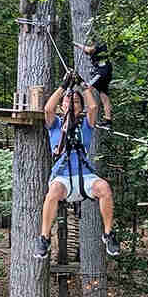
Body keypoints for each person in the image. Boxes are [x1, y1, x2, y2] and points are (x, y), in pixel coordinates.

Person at [34, 74, 119, 261]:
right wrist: (63, 87)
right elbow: (48, 108)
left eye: (76, 102)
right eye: (68, 101)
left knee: (104, 188)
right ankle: (44, 237)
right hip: (63, 176)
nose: (72, 104)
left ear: (81, 107)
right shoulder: (55, 124)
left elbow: (94, 106)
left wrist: (82, 86)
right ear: (62, 106)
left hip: (84, 175)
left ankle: (108, 233)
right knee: (53, 191)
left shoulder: (85, 125)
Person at [74, 40, 112, 124]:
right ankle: (108, 119)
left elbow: (89, 50)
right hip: (104, 72)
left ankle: (83, 109)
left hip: (102, 72)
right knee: (104, 96)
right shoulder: (98, 49)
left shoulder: (99, 45)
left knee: (87, 88)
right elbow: (87, 51)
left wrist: (76, 44)